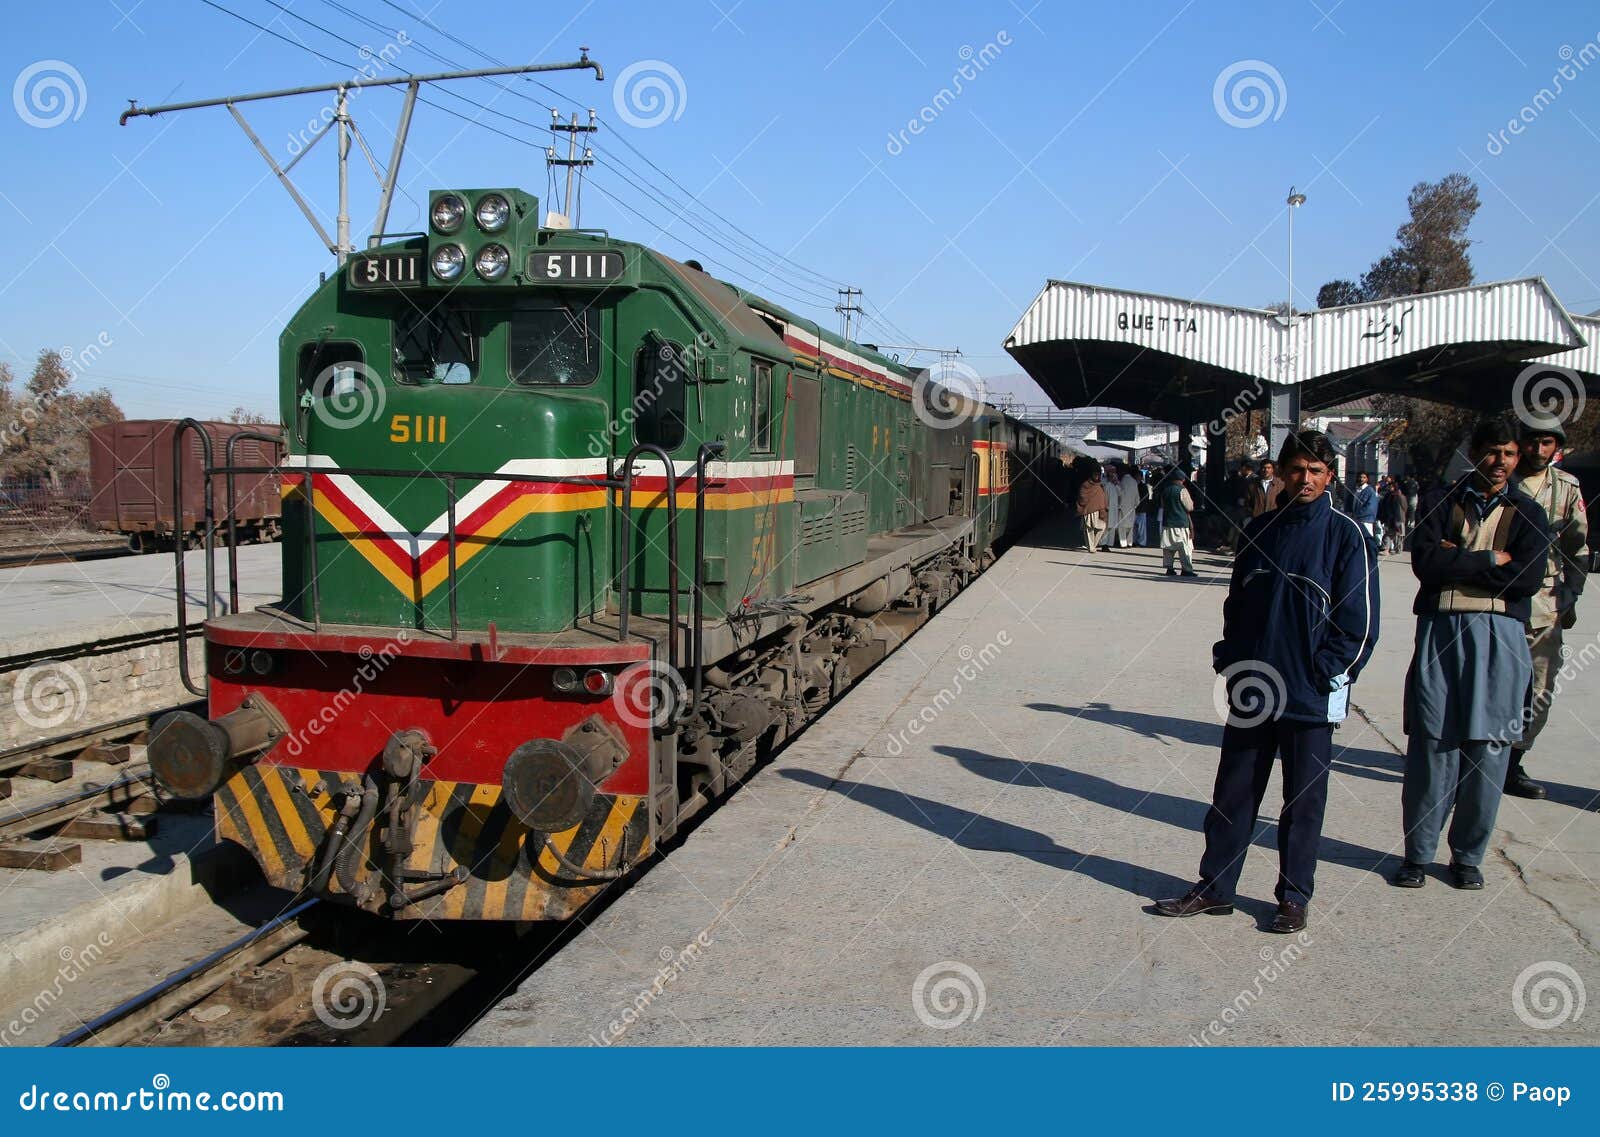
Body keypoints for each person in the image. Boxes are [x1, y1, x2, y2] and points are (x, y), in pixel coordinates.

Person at [1155, 430, 1378, 933]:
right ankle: (1215, 887)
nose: (1305, 479)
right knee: (1233, 792)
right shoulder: (1259, 530)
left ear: (1329, 476)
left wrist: (1326, 672)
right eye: (1296, 469)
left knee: (1302, 802)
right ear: (1280, 472)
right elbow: (1237, 604)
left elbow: (1359, 624)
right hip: (1254, 687)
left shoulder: (1347, 535)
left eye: (1315, 471)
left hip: (1309, 692)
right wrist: (1230, 657)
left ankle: (1293, 897)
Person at [1392, 416, 1549, 891]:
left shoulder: (1529, 513)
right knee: (1431, 741)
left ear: (1517, 458)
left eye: (1509, 453)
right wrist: (1489, 560)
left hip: (1502, 635)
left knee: (1489, 747)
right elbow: (1426, 562)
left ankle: (1467, 857)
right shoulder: (1441, 500)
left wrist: (1456, 561)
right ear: (1475, 453)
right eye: (1492, 451)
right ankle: (1418, 854)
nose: (1500, 461)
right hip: (1441, 629)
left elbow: (1526, 578)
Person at [1505, 411, 1589, 799]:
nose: (1538, 450)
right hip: (1500, 597)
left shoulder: (1566, 488)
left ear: (1557, 446)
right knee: (1493, 682)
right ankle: (1479, 757)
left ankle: (1513, 761)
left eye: (1547, 442)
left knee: (1539, 688)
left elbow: (1578, 545)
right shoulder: (1501, 479)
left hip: (1546, 602)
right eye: (1532, 441)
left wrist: (1571, 592)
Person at [1157, 469, 1198, 577]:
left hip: (1167, 523)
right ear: (1182, 479)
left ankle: (1169, 568)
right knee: (1184, 547)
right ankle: (1186, 569)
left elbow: (1162, 505)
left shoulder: (1165, 490)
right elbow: (1189, 507)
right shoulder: (1182, 490)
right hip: (1181, 523)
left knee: (1168, 547)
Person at [1077, 463, 1109, 553]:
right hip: (1087, 511)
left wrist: (1103, 510)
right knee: (1088, 530)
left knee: (1102, 527)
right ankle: (1091, 547)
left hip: (1097, 512)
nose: (1096, 476)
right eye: (1095, 474)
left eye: (1098, 475)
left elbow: (1102, 498)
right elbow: (1082, 497)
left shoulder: (1099, 486)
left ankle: (1093, 545)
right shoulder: (1085, 485)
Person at [1378, 478, 1407, 555]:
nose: (1389, 488)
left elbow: (1404, 507)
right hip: (1391, 518)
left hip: (1398, 518)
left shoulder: (1400, 496)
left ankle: (1397, 549)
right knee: (1390, 534)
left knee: (1398, 534)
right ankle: (1387, 549)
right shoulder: (1389, 496)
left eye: (1391, 487)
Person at [1351, 471, 1379, 546]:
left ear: (1367, 479)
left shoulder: (1370, 491)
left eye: (1364, 477)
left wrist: (1356, 514)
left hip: (1366, 520)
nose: (1361, 479)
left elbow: (1370, 508)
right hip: (1357, 520)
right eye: (1360, 477)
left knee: (1367, 542)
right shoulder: (1357, 490)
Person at [1116, 464, 1140, 549]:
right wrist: (1136, 504)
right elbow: (1137, 496)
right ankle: (1129, 542)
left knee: (1122, 526)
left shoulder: (1122, 481)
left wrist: (1118, 505)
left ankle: (1123, 543)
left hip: (1123, 507)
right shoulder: (1134, 482)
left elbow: (1120, 494)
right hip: (1132, 507)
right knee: (1130, 526)